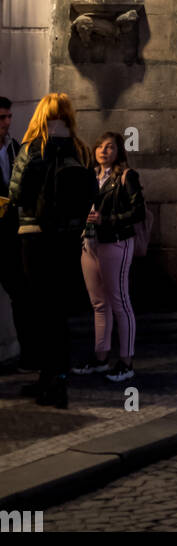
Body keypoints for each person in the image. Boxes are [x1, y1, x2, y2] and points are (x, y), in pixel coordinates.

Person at [9, 94, 97, 407]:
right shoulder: (81, 148)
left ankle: (49, 379)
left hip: (35, 236)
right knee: (59, 311)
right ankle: (56, 377)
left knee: (39, 309)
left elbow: (16, 193)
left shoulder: (33, 147)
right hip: (68, 238)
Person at [74, 131, 146, 383]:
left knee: (120, 301)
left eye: (111, 147)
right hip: (89, 244)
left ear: (118, 152)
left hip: (116, 242)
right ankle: (101, 357)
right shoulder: (89, 176)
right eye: (101, 146)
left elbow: (138, 212)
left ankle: (126, 362)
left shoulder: (126, 177)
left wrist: (108, 220)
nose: (104, 151)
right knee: (99, 304)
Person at [0, 96, 36, 370]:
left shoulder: (14, 149)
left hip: (12, 236)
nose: (7, 122)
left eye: (8, 117)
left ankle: (27, 355)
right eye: (2, 118)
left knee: (21, 296)